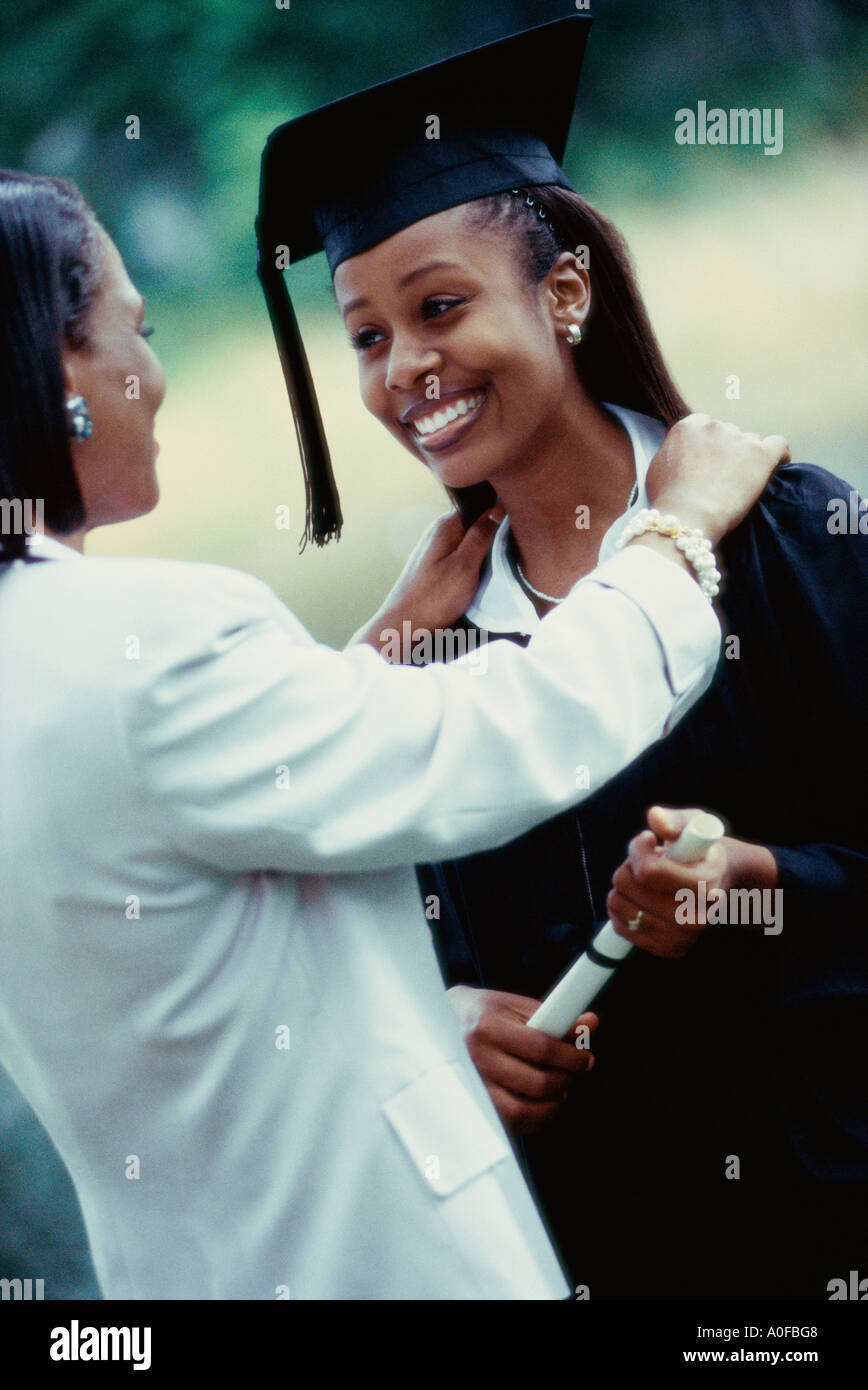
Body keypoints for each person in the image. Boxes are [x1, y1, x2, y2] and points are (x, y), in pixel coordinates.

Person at [0, 147, 783, 1302]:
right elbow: (496, 738)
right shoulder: (156, 637)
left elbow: (182, 845)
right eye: (139, 327)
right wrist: (673, 538)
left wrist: (364, 658)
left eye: (440, 307)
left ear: (564, 295)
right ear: (55, 365)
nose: (154, 374)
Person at [274, 19, 866, 1301]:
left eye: (439, 307)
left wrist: (768, 883)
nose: (404, 370)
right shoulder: (412, 659)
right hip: (588, 1246)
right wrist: (435, 1040)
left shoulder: (795, 538)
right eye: (366, 335)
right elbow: (328, 953)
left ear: (564, 292)